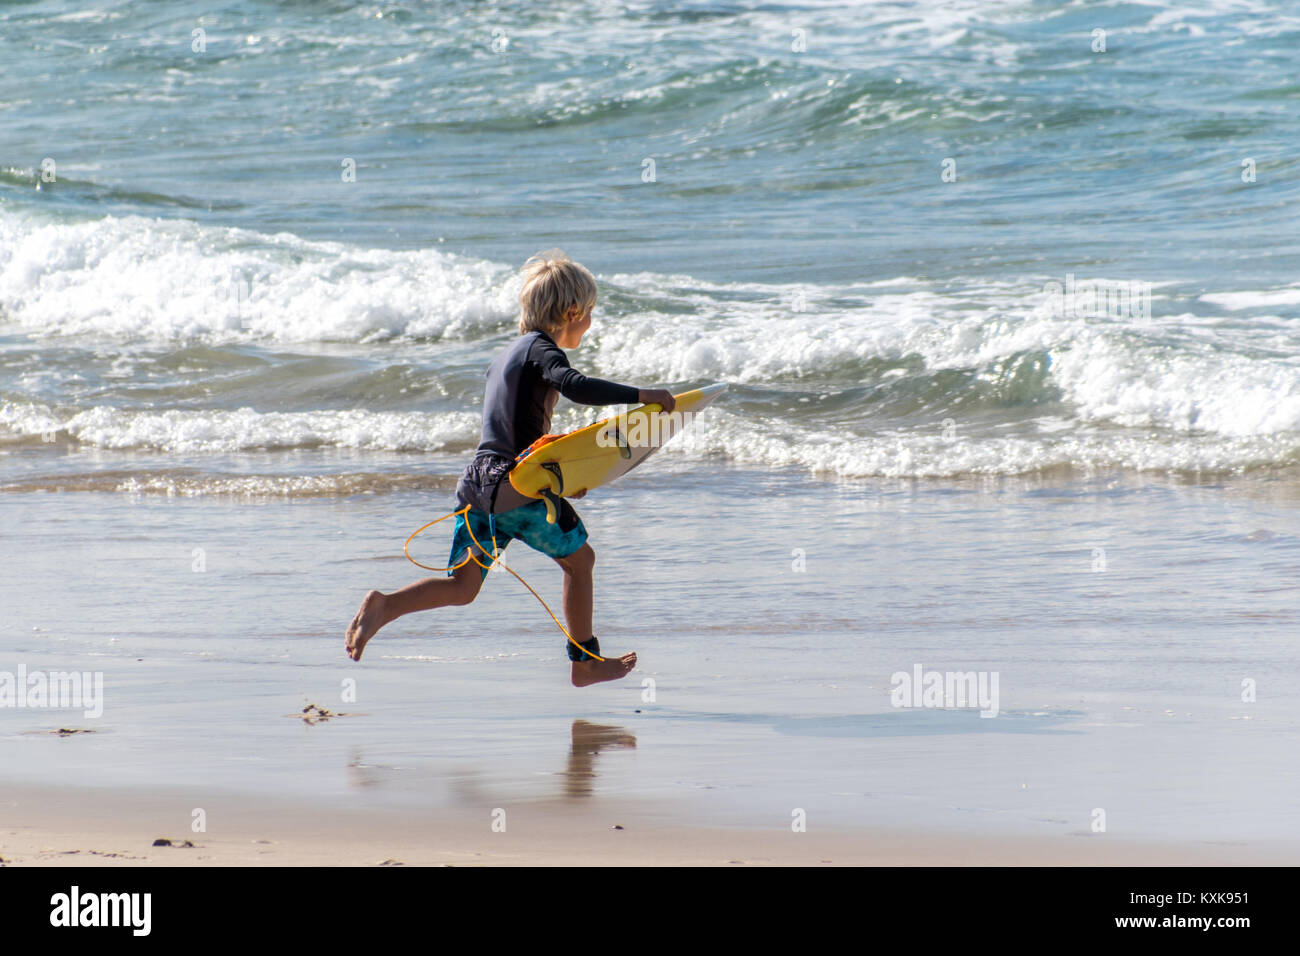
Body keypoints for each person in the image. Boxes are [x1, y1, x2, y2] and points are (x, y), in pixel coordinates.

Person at [345, 249, 675, 686]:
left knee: (463, 588)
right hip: (516, 483)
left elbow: (514, 433)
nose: (590, 322)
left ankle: (385, 605)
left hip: (478, 484)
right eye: (589, 312)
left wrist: (565, 480)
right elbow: (573, 386)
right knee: (581, 561)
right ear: (571, 311)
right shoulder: (543, 350)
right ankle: (584, 661)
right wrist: (642, 395)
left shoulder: (503, 358)